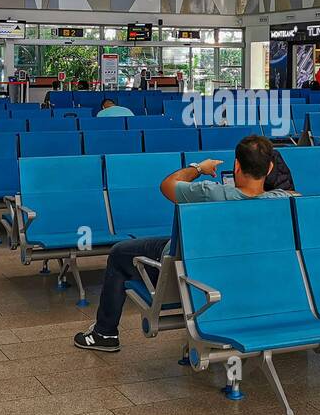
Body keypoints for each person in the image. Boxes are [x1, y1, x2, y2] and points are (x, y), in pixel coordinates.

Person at [74, 134, 292, 353]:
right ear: (270, 167)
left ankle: (105, 333)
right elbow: (292, 194)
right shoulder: (283, 202)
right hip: (243, 282)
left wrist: (199, 168)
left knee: (120, 253)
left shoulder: (210, 193)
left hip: (190, 281)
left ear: (236, 165)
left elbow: (167, 185)